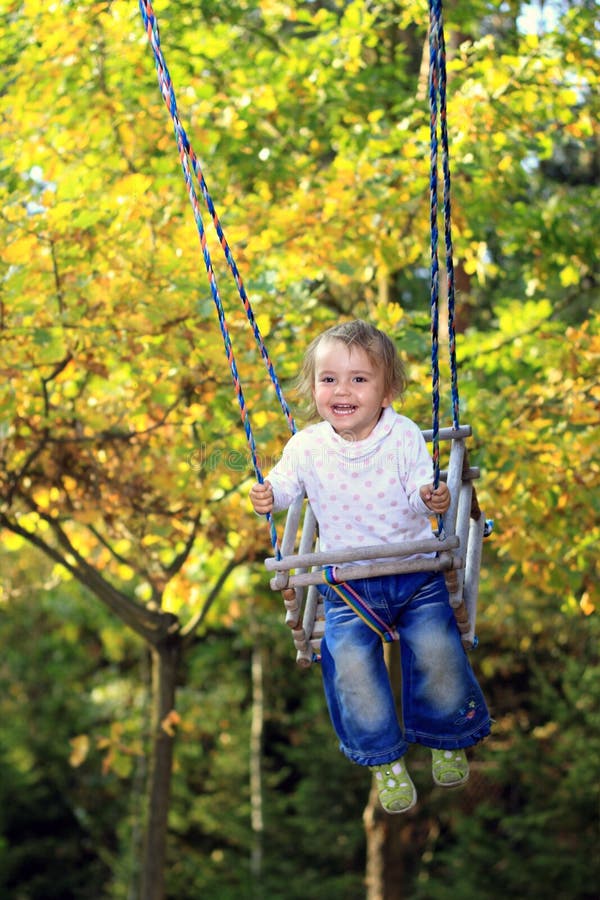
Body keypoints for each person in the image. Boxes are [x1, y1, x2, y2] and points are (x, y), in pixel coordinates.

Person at [250, 320, 490, 814]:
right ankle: (385, 760)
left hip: (416, 575)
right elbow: (285, 487)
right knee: (350, 665)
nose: (342, 390)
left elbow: (418, 489)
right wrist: (267, 496)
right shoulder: (307, 446)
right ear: (312, 386)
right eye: (329, 378)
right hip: (347, 587)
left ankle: (447, 737)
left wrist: (430, 496)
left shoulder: (402, 436)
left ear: (387, 391)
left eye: (359, 379)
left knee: (437, 649)